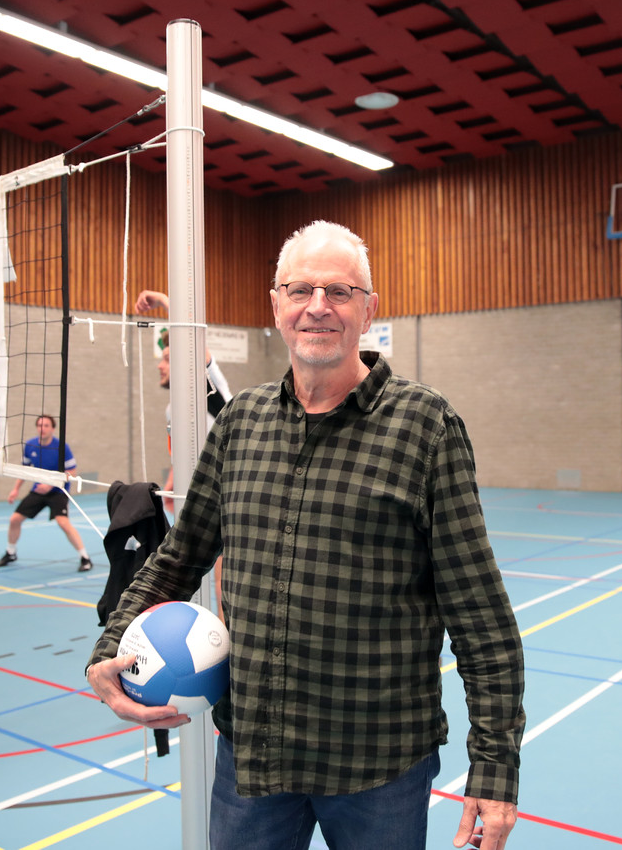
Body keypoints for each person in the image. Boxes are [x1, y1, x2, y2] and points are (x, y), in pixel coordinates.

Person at [88, 222, 525, 850]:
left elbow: (481, 617)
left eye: (341, 291)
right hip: (253, 763)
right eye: (301, 289)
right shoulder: (241, 423)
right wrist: (109, 646)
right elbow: (176, 559)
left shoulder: (426, 428)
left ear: (370, 309)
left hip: (379, 771)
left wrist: (495, 766)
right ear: (277, 306)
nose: (318, 306)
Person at [134, 289, 232, 514]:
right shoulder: (172, 410)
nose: (160, 366)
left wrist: (161, 299)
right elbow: (179, 453)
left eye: (167, 359)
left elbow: (190, 333)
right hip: (197, 496)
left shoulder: (207, 385)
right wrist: (172, 481)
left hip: (229, 493)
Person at [0, 415, 92, 572]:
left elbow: (72, 472)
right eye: (40, 425)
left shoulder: (62, 447)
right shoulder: (30, 445)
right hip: (38, 491)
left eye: (46, 425)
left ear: (52, 429)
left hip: (58, 491)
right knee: (14, 519)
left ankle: (85, 558)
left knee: (63, 523)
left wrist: (50, 485)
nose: (43, 428)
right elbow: (25, 470)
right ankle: (10, 553)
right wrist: (15, 489)